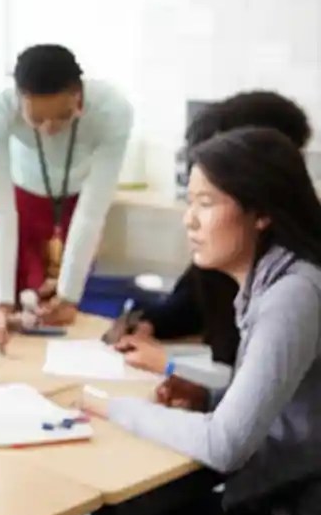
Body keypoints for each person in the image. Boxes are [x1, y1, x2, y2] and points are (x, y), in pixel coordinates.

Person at [83, 127, 321, 515]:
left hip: (291, 514)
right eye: (189, 201)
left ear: (261, 212)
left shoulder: (292, 294)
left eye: (206, 203)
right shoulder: (274, 281)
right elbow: (278, 391)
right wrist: (209, 395)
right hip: (275, 492)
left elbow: (224, 445)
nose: (188, 219)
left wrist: (112, 407)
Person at [116, 91, 312, 372]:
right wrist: (148, 323)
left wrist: (174, 367)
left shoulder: (292, 287)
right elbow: (193, 300)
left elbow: (255, 396)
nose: (190, 219)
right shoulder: (228, 243)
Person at [0, 44, 134, 340]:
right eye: (37, 119)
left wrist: (69, 296)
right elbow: (0, 211)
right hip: (11, 199)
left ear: (78, 95)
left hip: (73, 204)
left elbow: (92, 211)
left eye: (62, 117)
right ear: (19, 101)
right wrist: (0, 303)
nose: (49, 128)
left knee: (52, 316)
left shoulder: (113, 110)